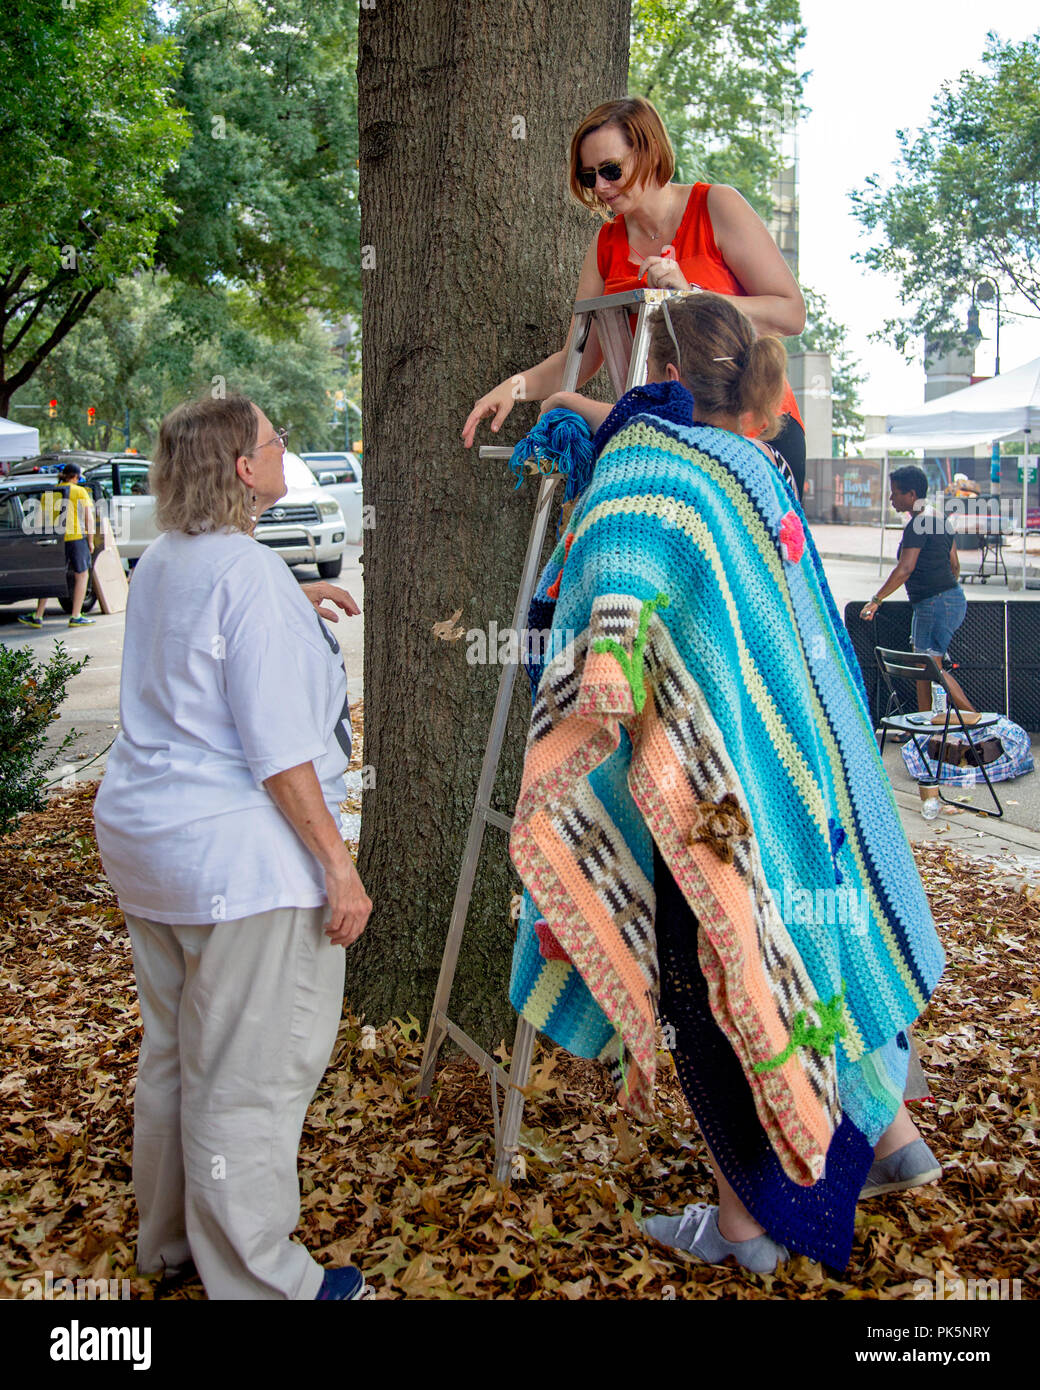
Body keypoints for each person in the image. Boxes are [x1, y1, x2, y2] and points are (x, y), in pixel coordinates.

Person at [508, 294, 944, 1276]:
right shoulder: (756, 470)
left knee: (720, 987)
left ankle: (743, 1232)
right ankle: (892, 1141)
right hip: (798, 784)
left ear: (660, 371)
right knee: (816, 949)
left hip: (695, 792)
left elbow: (607, 620)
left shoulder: (642, 469)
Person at [93, 395, 371, 1301]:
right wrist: (339, 868)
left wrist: (290, 600)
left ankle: (170, 1243)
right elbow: (280, 754)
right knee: (247, 1078)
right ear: (245, 469)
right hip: (240, 865)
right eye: (274, 439)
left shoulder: (167, 559)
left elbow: (201, 634)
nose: (285, 447)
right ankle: (263, 1279)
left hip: (154, 848)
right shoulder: (246, 575)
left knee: (177, 1056)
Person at [462, 95, 808, 497]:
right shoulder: (605, 245)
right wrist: (514, 387)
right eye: (589, 176)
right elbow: (577, 359)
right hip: (673, 437)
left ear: (650, 152)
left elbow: (791, 314)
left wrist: (691, 295)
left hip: (757, 425)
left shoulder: (716, 206)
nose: (600, 187)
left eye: (611, 170)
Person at [861, 464, 977, 719]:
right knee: (923, 667)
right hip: (945, 600)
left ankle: (976, 720)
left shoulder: (917, 525)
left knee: (931, 668)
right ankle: (925, 725)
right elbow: (955, 565)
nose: (891, 498)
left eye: (895, 493)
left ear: (911, 494)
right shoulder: (939, 519)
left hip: (934, 603)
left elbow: (905, 568)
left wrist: (876, 600)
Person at [18, 461, 96, 628]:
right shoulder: (80, 491)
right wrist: (91, 541)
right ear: (76, 477)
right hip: (75, 537)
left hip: (55, 537)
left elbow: (40, 518)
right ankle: (76, 615)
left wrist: (39, 539)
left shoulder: (50, 492)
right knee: (82, 575)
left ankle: (38, 615)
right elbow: (89, 518)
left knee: (51, 576)